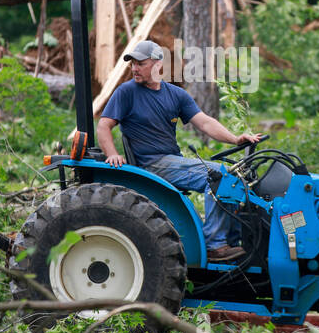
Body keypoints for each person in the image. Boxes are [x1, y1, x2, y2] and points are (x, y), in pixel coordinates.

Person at [96, 40, 263, 263]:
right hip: (151, 164)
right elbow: (104, 125)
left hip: (172, 160)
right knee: (218, 176)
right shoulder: (126, 92)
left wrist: (235, 139)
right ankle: (215, 245)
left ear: (158, 65)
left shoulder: (176, 94)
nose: (134, 69)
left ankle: (232, 243)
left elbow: (204, 123)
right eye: (132, 64)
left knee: (235, 176)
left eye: (140, 63)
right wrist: (112, 154)